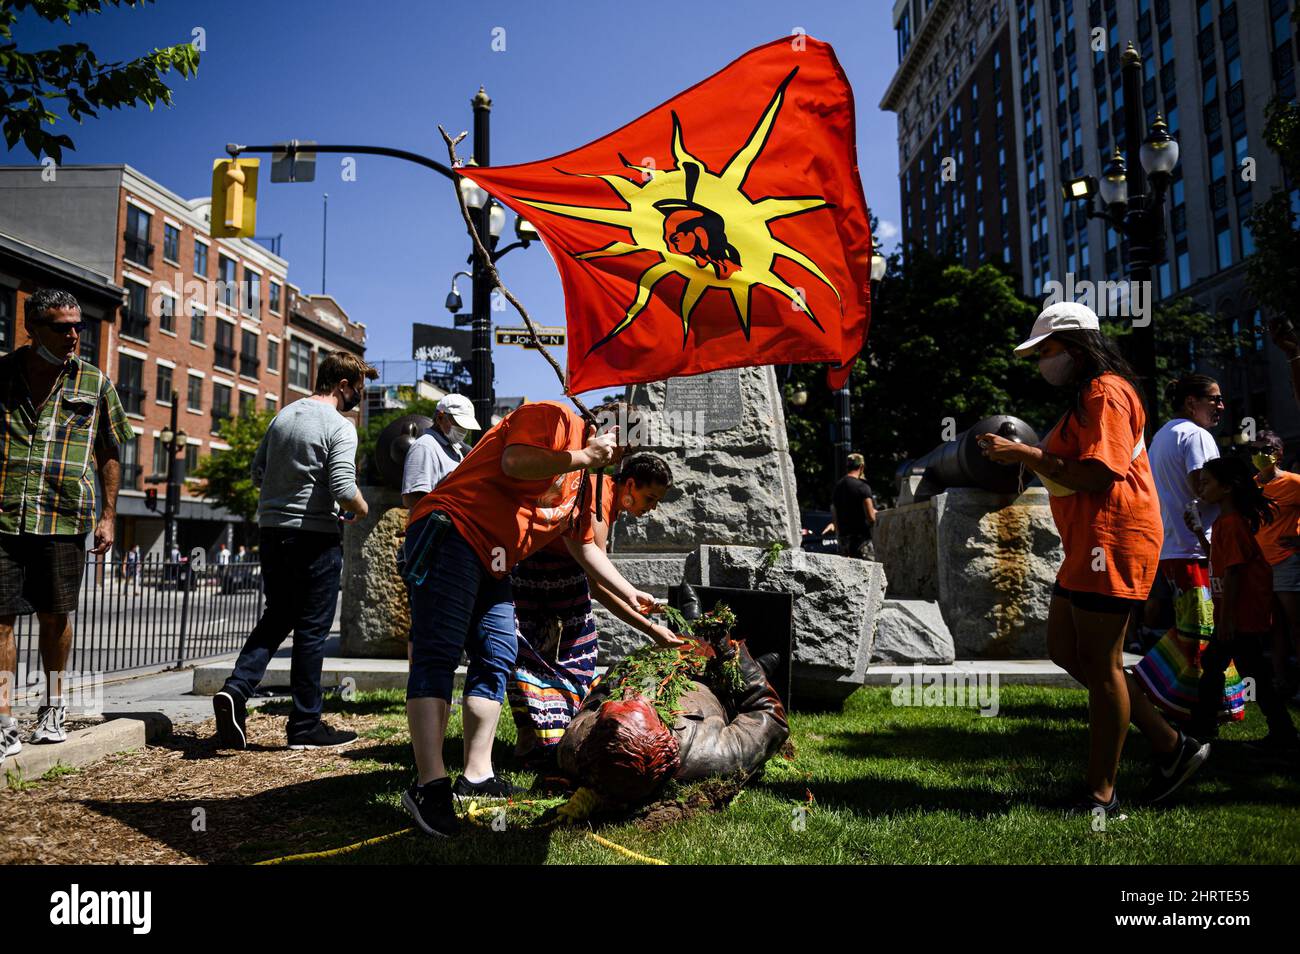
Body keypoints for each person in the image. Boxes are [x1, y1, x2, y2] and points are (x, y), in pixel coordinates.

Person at [400, 399, 681, 838]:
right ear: (602, 427)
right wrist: (583, 455)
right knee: (438, 656)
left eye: (625, 452)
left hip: (495, 560)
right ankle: (428, 787)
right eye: (622, 446)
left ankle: (476, 775)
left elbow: (586, 548)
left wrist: (632, 593)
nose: (620, 459)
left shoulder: (587, 483)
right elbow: (514, 461)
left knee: (497, 654)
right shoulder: (551, 417)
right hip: (452, 531)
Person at [978, 302, 1175, 817]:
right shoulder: (1089, 396)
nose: (1042, 361)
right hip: (1088, 542)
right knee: (1067, 648)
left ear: (1075, 346)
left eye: (1046, 350)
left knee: (1103, 665)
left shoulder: (1105, 392)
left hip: (1113, 537)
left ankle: (1101, 795)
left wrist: (1025, 455)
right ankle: (1171, 744)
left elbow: (1097, 475)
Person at [212, 352, 377, 751]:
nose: (359, 397)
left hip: (271, 534)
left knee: (277, 617)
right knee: (311, 631)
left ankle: (235, 690)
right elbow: (341, 485)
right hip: (314, 537)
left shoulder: (282, 416)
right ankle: (305, 726)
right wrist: (361, 509)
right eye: (358, 389)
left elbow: (256, 472)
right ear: (342, 386)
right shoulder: (340, 425)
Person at [0, 289, 133, 767]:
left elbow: (111, 450)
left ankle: (53, 708)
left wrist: (109, 515)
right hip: (4, 514)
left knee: (55, 617)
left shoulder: (94, 383)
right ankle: (2, 720)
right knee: (0, 620)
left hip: (62, 517)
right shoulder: (3, 374)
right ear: (32, 328)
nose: (75, 334)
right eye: (62, 326)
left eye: (79, 326)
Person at [509, 451, 673, 770]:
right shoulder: (597, 498)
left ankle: (542, 743)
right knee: (545, 663)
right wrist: (650, 629)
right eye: (649, 497)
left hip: (558, 582)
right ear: (630, 485)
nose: (651, 507)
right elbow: (597, 584)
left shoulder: (606, 495)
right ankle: (539, 745)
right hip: (538, 582)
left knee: (561, 662)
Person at [557, 588, 788, 807]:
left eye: (620, 702)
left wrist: (620, 676)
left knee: (682, 639)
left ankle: (689, 622)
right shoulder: (711, 755)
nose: (630, 691)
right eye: (639, 703)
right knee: (755, 664)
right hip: (709, 679)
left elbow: (597, 696)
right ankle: (760, 663)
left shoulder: (575, 747)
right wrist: (733, 656)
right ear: (663, 736)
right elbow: (769, 716)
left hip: (655, 664)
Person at [1184, 457, 1299, 753]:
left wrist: (1227, 620)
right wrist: (1198, 532)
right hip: (1237, 615)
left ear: (1227, 488)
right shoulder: (1226, 522)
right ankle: (1282, 732)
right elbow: (1221, 562)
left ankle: (1203, 728)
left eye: (1206, 482)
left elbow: (1234, 572)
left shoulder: (1232, 523)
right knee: (1250, 669)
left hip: (1240, 616)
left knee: (1217, 665)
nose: (1201, 486)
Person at [1249, 431, 1300, 703]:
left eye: (1265, 449)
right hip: (1261, 568)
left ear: (1278, 454)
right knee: (1274, 628)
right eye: (1254, 449)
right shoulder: (1251, 486)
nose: (1259, 454)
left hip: (1286, 563)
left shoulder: (1294, 482)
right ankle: (1281, 681)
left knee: (1296, 625)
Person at [400, 394, 481, 510]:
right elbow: (411, 498)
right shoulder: (425, 446)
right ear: (440, 418)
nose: (463, 431)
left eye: (465, 427)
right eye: (458, 424)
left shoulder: (454, 449)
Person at [830, 453, 878, 560]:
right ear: (861, 467)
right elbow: (871, 517)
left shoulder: (838, 487)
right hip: (862, 543)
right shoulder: (862, 487)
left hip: (844, 544)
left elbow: (835, 515)